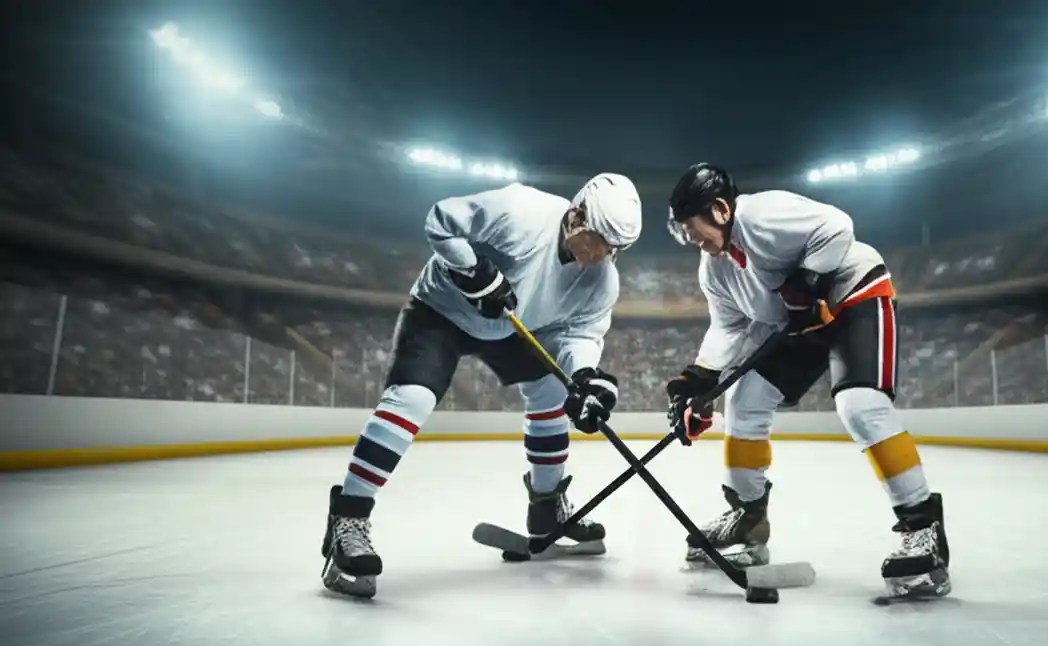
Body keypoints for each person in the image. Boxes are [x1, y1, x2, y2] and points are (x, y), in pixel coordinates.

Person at [321, 173, 642, 598]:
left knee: (551, 391)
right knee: (412, 400)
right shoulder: (521, 211)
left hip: (511, 325)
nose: (601, 255)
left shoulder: (602, 279)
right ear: (577, 214)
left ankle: (547, 510)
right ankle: (348, 518)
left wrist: (586, 379)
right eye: (599, 239)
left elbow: (581, 335)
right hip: (441, 311)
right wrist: (471, 270)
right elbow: (441, 221)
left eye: (614, 249)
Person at [663, 163, 950, 599]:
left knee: (860, 404)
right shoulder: (714, 269)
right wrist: (695, 382)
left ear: (721, 209)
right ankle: (748, 518)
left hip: (853, 294)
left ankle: (923, 527)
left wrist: (809, 279)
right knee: (742, 399)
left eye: (692, 228)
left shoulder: (763, 214)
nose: (692, 240)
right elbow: (728, 328)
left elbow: (838, 227)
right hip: (796, 322)